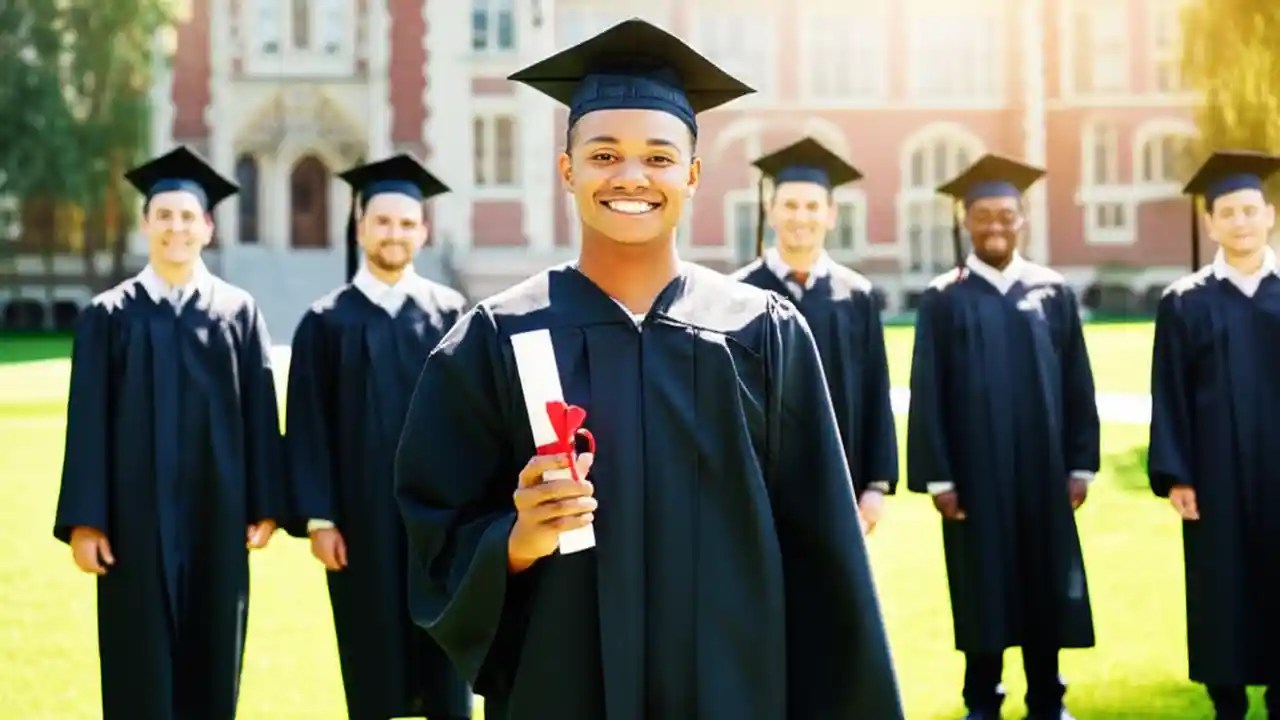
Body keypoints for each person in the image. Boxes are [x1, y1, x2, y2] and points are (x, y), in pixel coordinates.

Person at [393, 18, 902, 720]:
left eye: (659, 157)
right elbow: (435, 530)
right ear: (567, 170)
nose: (631, 176)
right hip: (562, 688)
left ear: (692, 175)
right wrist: (514, 542)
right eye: (603, 154)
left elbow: (826, 556)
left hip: (733, 688)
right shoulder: (496, 338)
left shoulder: (762, 333)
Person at [52, 146, 285, 720]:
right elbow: (87, 424)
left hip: (218, 516)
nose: (176, 228)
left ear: (207, 227)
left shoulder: (238, 312)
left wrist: (266, 503)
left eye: (187, 217)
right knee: (139, 662)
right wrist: (86, 521)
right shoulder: (109, 316)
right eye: (164, 216)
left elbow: (260, 410)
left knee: (213, 658)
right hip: (132, 524)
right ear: (145, 224)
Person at [906, 153, 1099, 720]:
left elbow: (1077, 383)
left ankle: (1048, 698)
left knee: (1044, 577)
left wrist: (1080, 464)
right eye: (984, 215)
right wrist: (939, 477)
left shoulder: (1052, 292)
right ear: (965, 220)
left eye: (1006, 216)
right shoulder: (944, 297)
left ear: (1023, 220)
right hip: (974, 473)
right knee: (981, 582)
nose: (995, 226)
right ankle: (982, 700)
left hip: (1044, 467)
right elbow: (928, 390)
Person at [283, 154, 472, 720]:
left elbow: (475, 422)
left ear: (424, 231)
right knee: (370, 661)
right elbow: (308, 426)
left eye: (406, 223)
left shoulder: (450, 315)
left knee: (447, 664)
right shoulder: (325, 322)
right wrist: (320, 519)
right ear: (360, 228)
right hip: (358, 524)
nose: (394, 233)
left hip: (439, 525)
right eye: (382, 222)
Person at [1148, 150, 1280, 720]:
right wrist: (1177, 474)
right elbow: (1169, 394)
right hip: (1214, 474)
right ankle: (1226, 703)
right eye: (1227, 212)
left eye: (1250, 210)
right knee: (1220, 588)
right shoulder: (1184, 302)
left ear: (1270, 215)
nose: (1240, 222)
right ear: (1210, 223)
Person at [732, 137, 897, 533]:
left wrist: (876, 485)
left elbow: (875, 390)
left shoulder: (856, 296)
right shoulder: (736, 295)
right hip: (757, 494)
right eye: (789, 205)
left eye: (812, 206)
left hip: (842, 487)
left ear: (831, 215)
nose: (800, 217)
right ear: (770, 211)